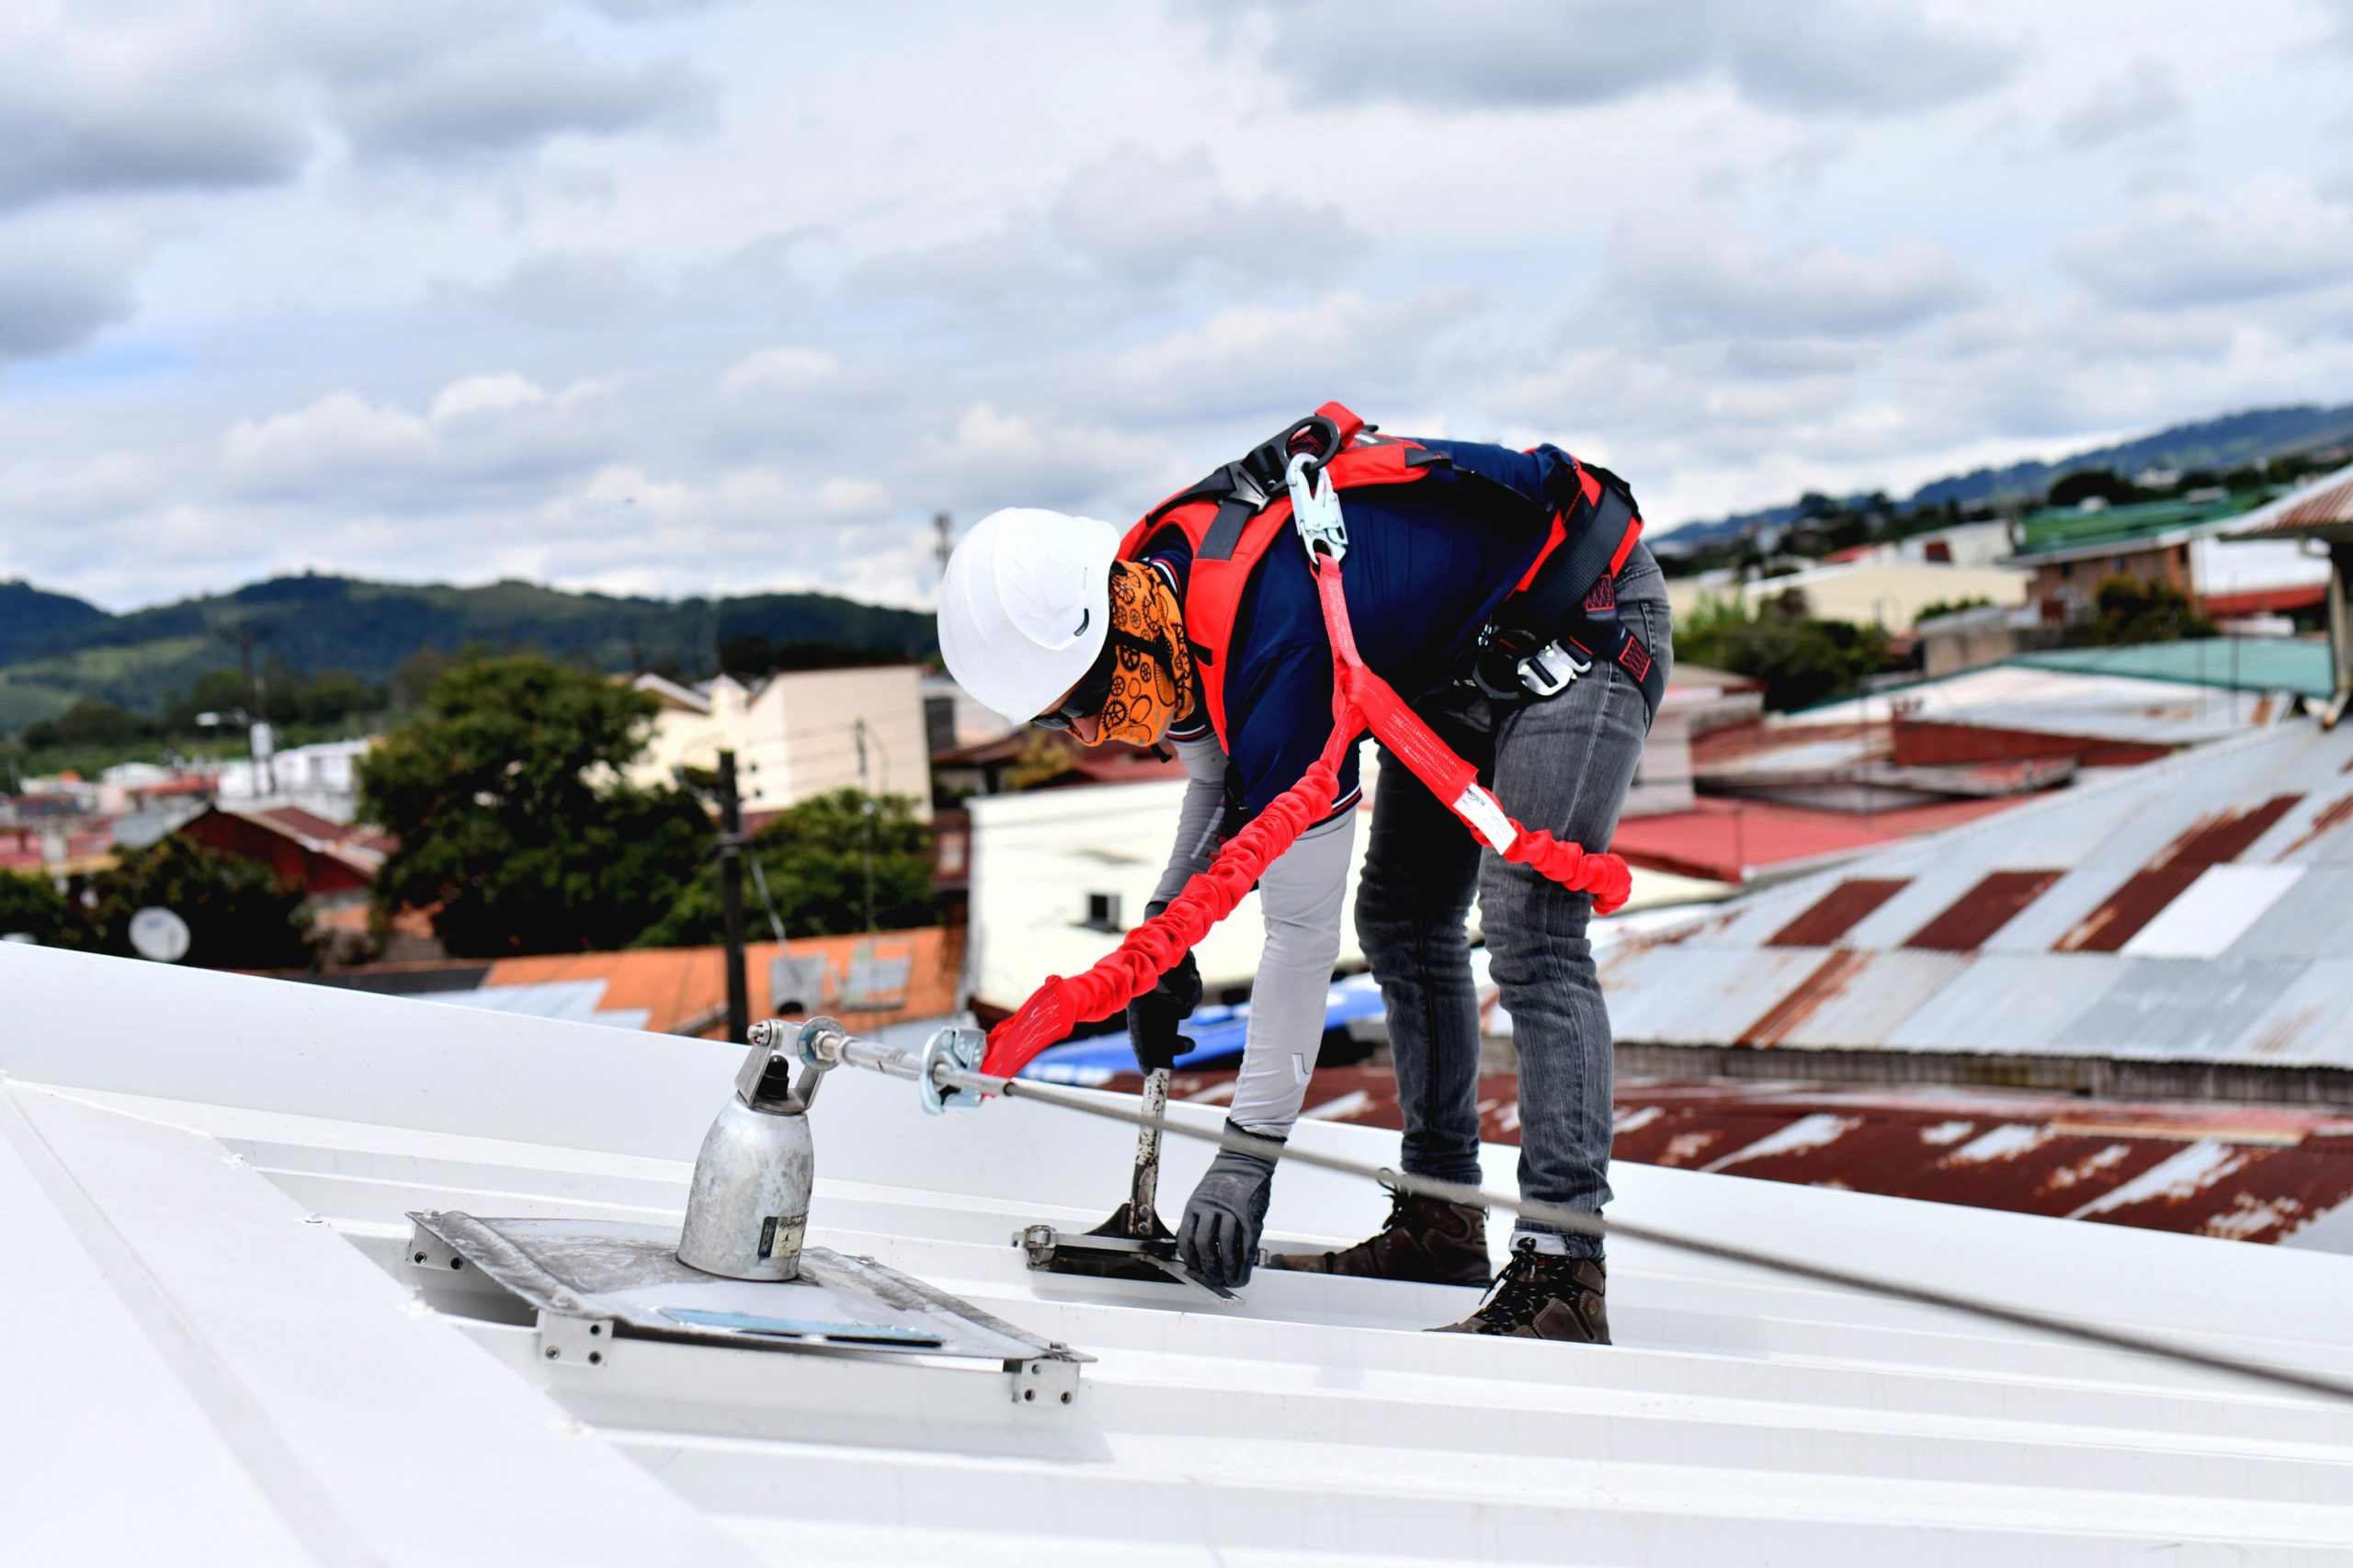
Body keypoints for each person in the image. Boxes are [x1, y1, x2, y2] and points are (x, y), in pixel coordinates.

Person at [937, 405, 1669, 1341]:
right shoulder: (1157, 581)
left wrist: (1247, 1157)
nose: (1089, 734)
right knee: (1403, 920)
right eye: (1055, 724)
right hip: (1458, 658)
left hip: (1584, 616)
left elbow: (1296, 929)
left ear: (1114, 629)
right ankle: (1441, 1221)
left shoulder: (1273, 638)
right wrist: (1164, 935)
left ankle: (1563, 1271)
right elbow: (1216, 771)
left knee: (1530, 924)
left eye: (1082, 704)